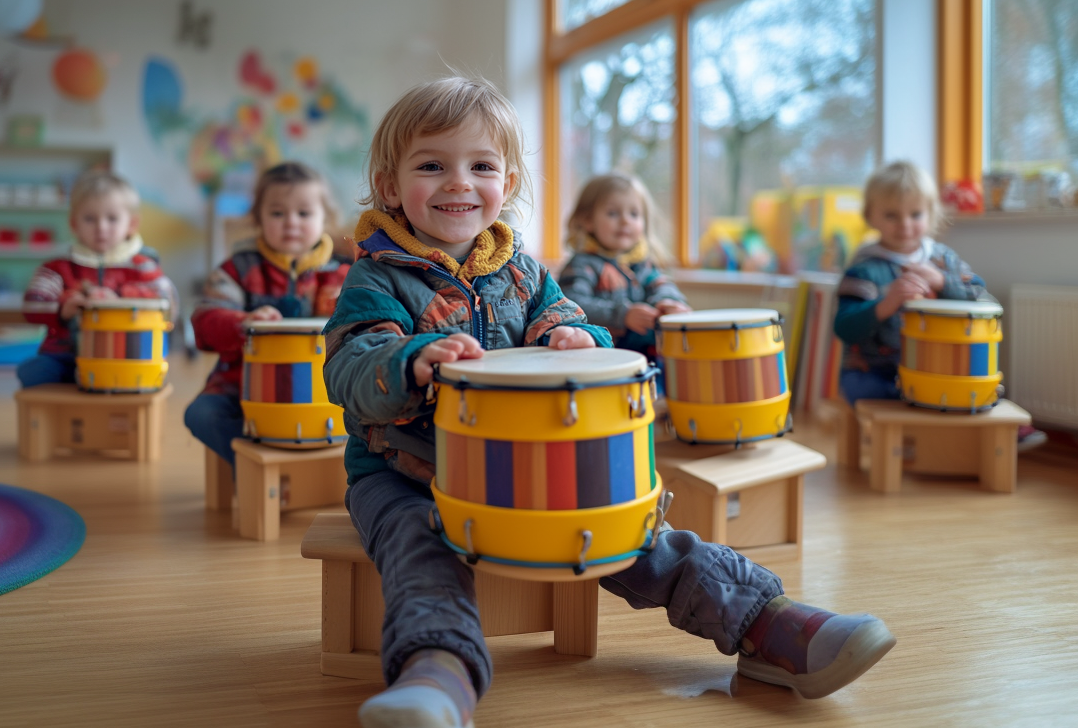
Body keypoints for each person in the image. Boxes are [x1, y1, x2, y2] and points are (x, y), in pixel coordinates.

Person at [323, 76, 896, 728]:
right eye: (433, 165)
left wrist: (578, 336)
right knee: (420, 554)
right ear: (391, 185)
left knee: (638, 534)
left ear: (505, 185)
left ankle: (767, 626)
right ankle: (437, 674)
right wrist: (408, 361)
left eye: (480, 166)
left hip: (527, 465)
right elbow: (345, 368)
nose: (459, 182)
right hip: (404, 473)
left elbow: (577, 327)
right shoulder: (373, 276)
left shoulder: (524, 272)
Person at [834, 160, 1046, 451]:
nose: (905, 225)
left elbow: (984, 302)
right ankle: (913, 436)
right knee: (870, 390)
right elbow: (844, 327)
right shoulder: (864, 268)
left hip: (942, 368)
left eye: (916, 214)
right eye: (892, 215)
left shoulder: (943, 260)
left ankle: (998, 433)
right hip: (877, 371)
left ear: (931, 214)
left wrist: (941, 281)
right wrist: (885, 304)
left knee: (981, 386)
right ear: (870, 216)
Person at [185, 161, 350, 471]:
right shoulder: (238, 269)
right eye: (277, 213)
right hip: (243, 385)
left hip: (320, 391)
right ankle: (256, 472)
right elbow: (204, 322)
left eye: (304, 213)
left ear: (325, 218)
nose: (290, 222)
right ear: (258, 218)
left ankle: (317, 476)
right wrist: (242, 322)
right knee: (201, 413)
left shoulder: (344, 274)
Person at [19, 170, 179, 388]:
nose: (101, 227)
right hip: (66, 356)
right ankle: (81, 381)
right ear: (74, 224)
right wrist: (63, 308)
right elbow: (31, 304)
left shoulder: (143, 266)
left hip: (126, 358)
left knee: (151, 369)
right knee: (32, 372)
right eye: (89, 219)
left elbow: (168, 303)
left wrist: (120, 297)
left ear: (131, 224)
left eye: (112, 218)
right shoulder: (58, 267)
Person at [558, 173, 691, 358]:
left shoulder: (642, 264)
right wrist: (621, 315)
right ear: (587, 220)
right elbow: (570, 305)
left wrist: (667, 303)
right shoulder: (582, 265)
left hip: (648, 358)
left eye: (634, 214)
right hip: (602, 359)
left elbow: (662, 285)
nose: (625, 221)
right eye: (613, 213)